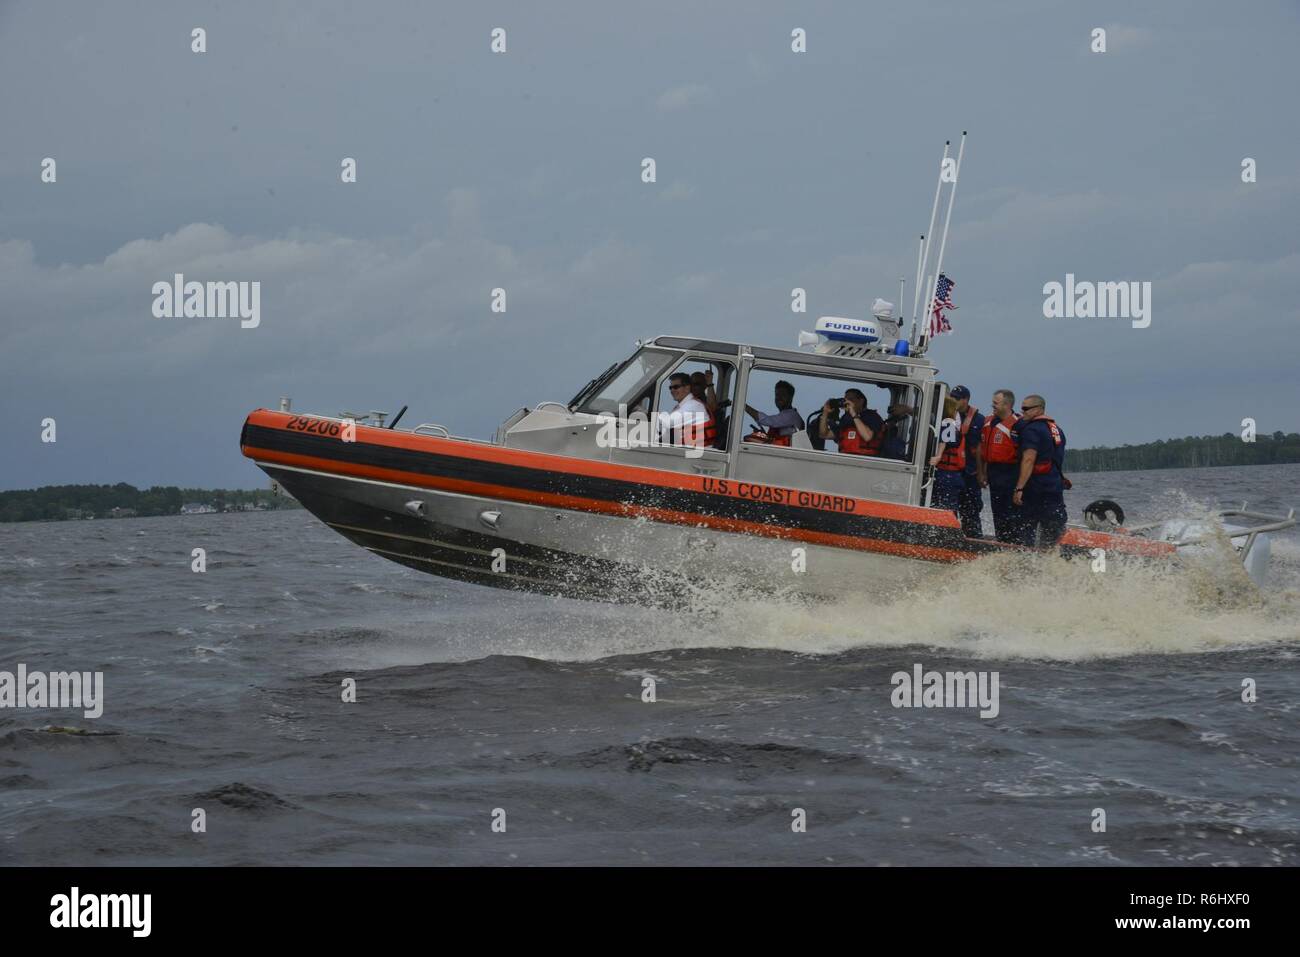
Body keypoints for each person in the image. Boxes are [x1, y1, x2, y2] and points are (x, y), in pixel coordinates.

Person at [1011, 394, 1068, 547]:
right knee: (1054, 531)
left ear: (1038, 409)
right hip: (1054, 487)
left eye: (1026, 409)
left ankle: (1027, 559)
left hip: (1036, 488)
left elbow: (1029, 459)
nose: (1022, 413)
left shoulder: (1032, 430)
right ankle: (1052, 560)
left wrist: (1019, 487)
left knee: (1027, 528)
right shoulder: (1057, 429)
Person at [977, 389, 1022, 543]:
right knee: (997, 510)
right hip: (993, 471)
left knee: (1010, 511)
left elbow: (1025, 455)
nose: (992, 405)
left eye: (996, 403)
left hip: (1010, 472)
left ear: (1007, 405)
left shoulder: (1017, 425)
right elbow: (981, 449)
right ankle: (1001, 539)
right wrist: (982, 473)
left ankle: (1013, 542)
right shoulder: (988, 422)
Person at [949, 386, 985, 537]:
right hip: (953, 471)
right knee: (951, 508)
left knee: (971, 510)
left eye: (956, 398)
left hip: (970, 473)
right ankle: (952, 537)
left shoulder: (979, 420)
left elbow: (981, 449)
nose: (953, 401)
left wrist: (981, 474)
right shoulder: (947, 415)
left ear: (966, 399)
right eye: (951, 397)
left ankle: (974, 538)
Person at [928, 395, 966, 515]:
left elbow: (944, 440)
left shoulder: (948, 422)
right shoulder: (947, 422)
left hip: (948, 474)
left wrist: (938, 456)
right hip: (949, 474)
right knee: (945, 506)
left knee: (946, 507)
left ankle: (948, 530)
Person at [819, 388, 884, 455]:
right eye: (845, 400)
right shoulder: (846, 418)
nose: (847, 402)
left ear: (861, 401)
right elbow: (824, 434)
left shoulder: (872, 416)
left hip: (866, 460)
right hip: (845, 458)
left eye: (850, 399)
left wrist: (853, 413)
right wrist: (825, 413)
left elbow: (867, 436)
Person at [743, 380, 804, 446]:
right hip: (779, 450)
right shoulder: (784, 415)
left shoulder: (792, 415)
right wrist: (764, 434)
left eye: (783, 395)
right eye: (777, 395)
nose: (779, 398)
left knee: (748, 439)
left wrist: (742, 406)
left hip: (785, 454)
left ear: (790, 398)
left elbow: (767, 421)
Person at [660, 373, 710, 448]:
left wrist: (645, 413)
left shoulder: (693, 405)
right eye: (670, 387)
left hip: (699, 455)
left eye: (676, 387)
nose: (672, 390)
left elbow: (667, 423)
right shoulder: (683, 405)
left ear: (687, 388)